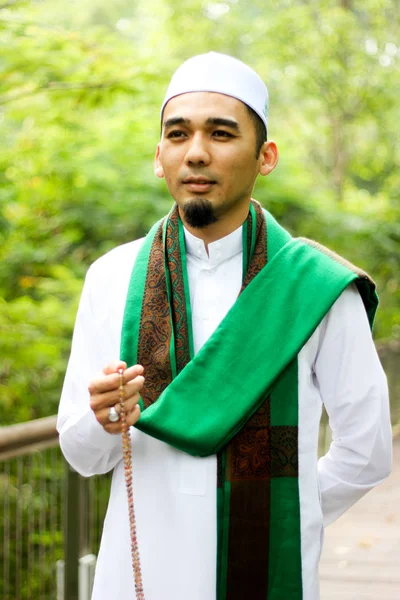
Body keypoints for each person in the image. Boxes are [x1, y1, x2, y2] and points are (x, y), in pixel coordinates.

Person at [57, 52, 392, 600]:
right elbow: (82, 455)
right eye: (178, 134)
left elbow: (367, 450)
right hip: (138, 571)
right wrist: (101, 420)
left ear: (265, 156)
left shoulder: (316, 288)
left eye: (221, 133)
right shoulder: (112, 277)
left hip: (267, 570)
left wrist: (292, 515)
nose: (196, 153)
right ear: (158, 157)